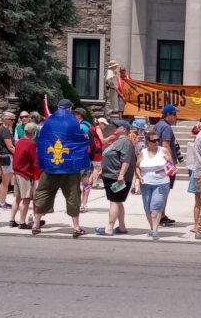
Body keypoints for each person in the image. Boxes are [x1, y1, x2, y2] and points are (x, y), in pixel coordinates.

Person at [33, 99, 90, 238]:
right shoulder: (73, 122)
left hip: (50, 167)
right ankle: (76, 227)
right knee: (73, 195)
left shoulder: (48, 122)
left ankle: (35, 225)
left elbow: (41, 142)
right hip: (69, 168)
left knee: (43, 192)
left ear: (58, 107)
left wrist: (43, 162)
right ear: (70, 108)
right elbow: (80, 142)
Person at [96, 124, 136, 236]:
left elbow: (126, 160)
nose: (115, 128)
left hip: (117, 178)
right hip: (111, 176)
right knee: (118, 202)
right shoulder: (119, 141)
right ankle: (122, 227)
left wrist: (121, 175)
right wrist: (102, 170)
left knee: (114, 201)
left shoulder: (125, 142)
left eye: (117, 126)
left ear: (124, 129)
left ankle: (109, 227)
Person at [134, 127, 171, 239]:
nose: (156, 142)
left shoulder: (163, 150)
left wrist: (168, 168)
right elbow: (137, 166)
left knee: (156, 207)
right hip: (146, 183)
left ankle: (155, 230)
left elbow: (171, 164)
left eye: (157, 140)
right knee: (147, 207)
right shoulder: (143, 152)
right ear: (147, 141)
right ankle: (152, 228)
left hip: (161, 183)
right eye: (153, 140)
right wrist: (139, 176)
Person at [153, 104, 179, 227]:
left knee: (160, 190)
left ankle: (160, 215)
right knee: (165, 190)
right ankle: (161, 216)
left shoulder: (157, 125)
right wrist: (171, 163)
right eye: (174, 114)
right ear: (168, 115)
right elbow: (166, 145)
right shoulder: (166, 127)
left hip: (157, 161)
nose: (176, 117)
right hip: (165, 163)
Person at [10, 122, 40, 230]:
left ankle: (12, 220)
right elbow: (35, 160)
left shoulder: (19, 142)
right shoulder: (31, 144)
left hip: (16, 172)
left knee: (17, 198)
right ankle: (22, 222)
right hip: (24, 174)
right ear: (34, 132)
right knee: (26, 199)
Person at [0, 112, 17, 210]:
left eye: (14, 119)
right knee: (5, 181)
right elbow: (10, 146)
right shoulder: (5, 131)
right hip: (6, 157)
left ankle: (2, 201)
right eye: (11, 119)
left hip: (5, 156)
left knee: (6, 181)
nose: (13, 121)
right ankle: (1, 202)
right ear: (5, 119)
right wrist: (20, 155)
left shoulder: (4, 130)